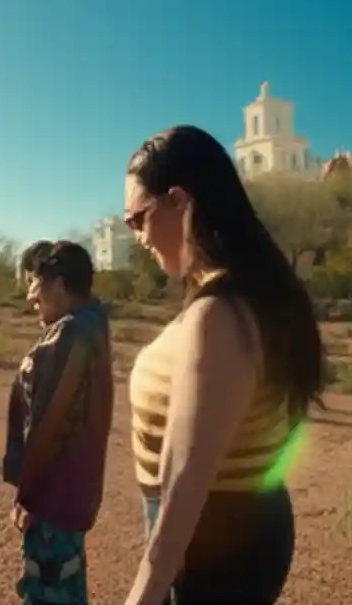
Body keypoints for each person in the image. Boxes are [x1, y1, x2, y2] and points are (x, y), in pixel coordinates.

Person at [121, 125, 325, 605]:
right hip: (234, 533)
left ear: (179, 201)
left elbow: (188, 476)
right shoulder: (244, 294)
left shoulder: (218, 316)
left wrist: (145, 590)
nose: (139, 237)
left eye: (137, 219)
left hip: (213, 544)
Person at [4, 240, 114, 605]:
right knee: (66, 583)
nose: (30, 295)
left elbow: (49, 422)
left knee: (50, 585)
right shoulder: (93, 322)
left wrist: (28, 495)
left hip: (54, 493)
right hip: (72, 488)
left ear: (59, 283)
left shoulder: (70, 334)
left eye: (35, 282)